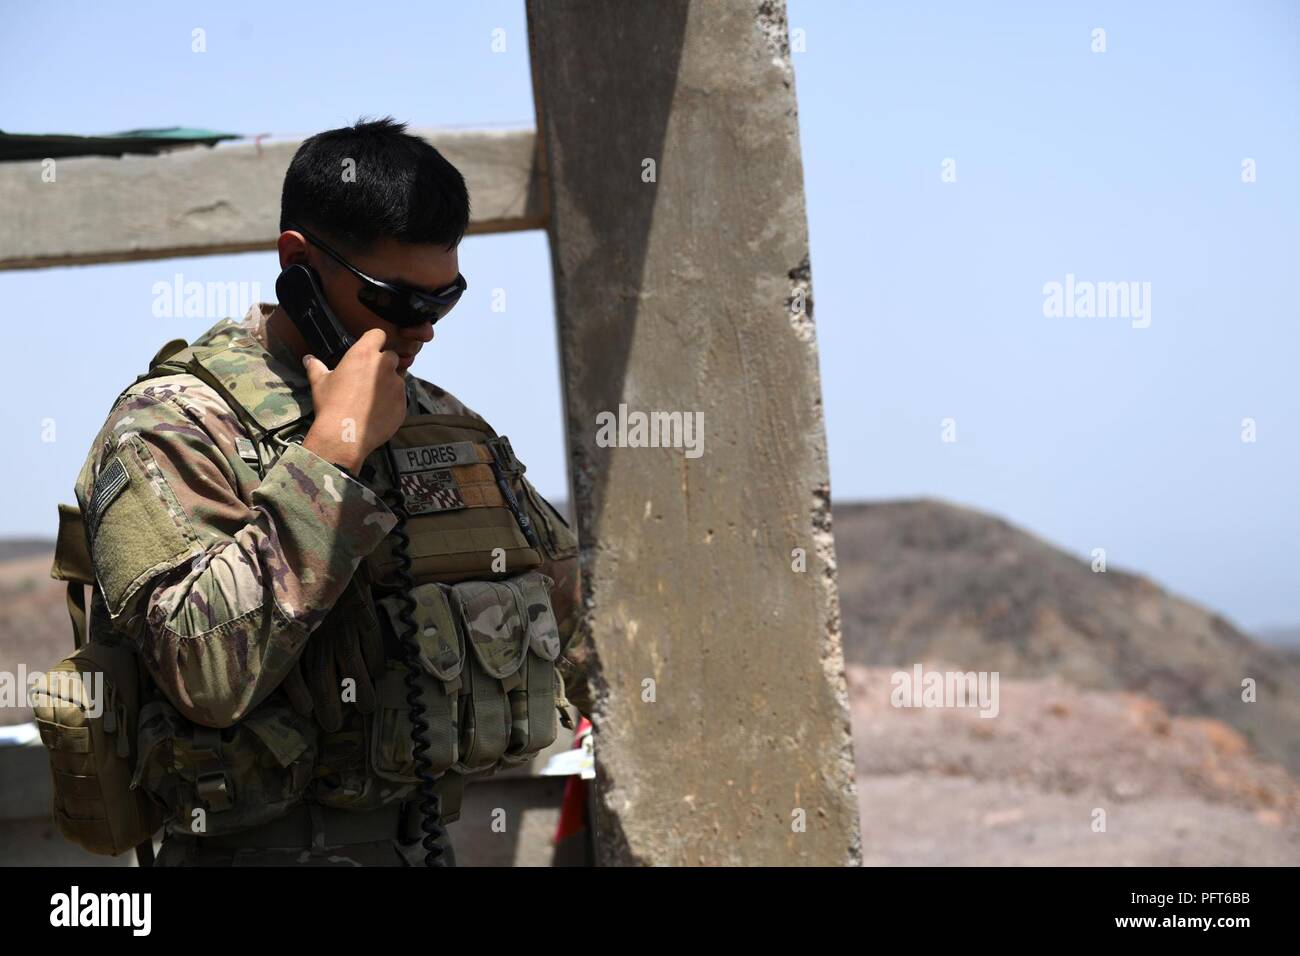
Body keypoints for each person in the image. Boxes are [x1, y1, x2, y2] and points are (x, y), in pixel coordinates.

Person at [71, 117, 590, 866]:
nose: (425, 331)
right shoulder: (170, 426)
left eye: (443, 302)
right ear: (298, 266)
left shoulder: (444, 424)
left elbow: (569, 620)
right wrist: (332, 454)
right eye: (399, 300)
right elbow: (203, 672)